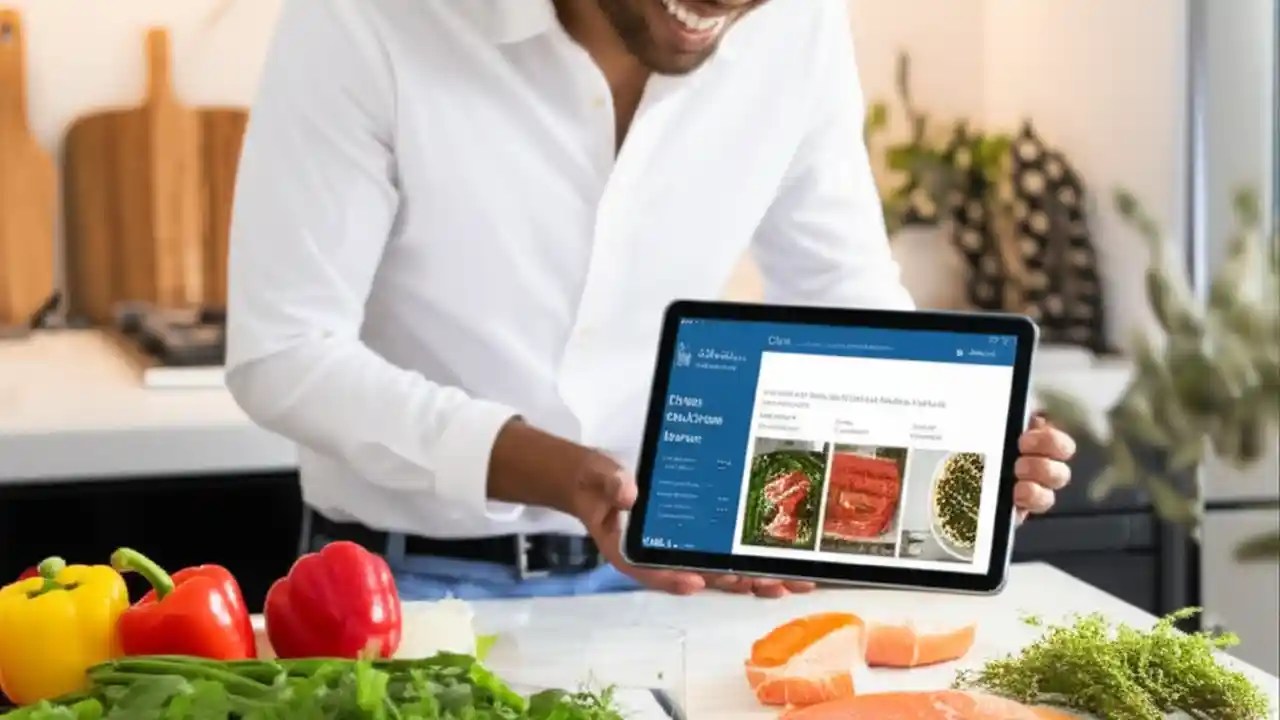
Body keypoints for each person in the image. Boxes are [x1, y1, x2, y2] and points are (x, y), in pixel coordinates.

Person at [225, 0, 1077, 601]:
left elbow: (839, 291)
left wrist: (962, 434)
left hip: (676, 588)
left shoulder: (797, 24)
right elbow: (285, 355)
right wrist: (568, 476)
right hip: (404, 590)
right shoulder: (368, 19)